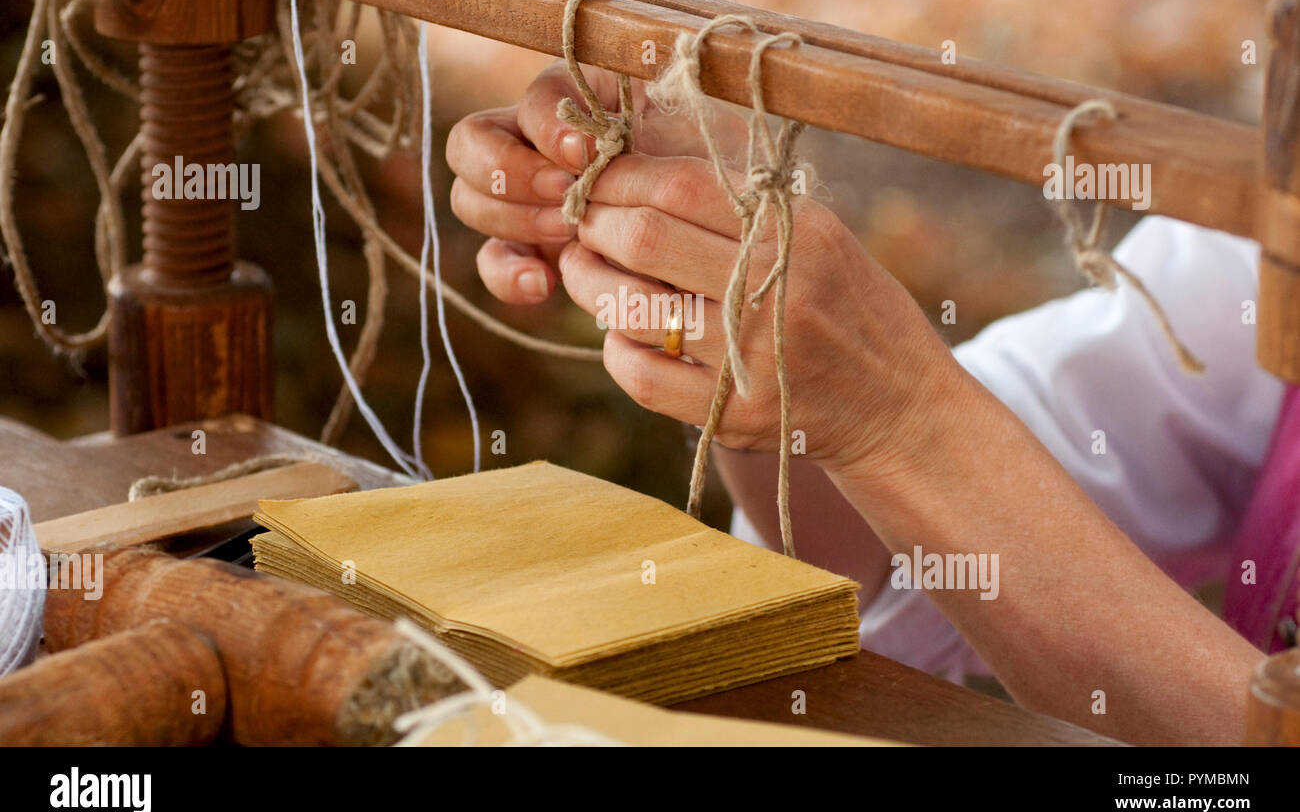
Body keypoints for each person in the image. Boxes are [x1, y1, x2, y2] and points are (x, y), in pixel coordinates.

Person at [445, 59, 1275, 746]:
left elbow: (938, 461)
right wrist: (705, 254)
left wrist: (900, 420)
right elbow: (928, 555)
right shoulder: (1262, 263)